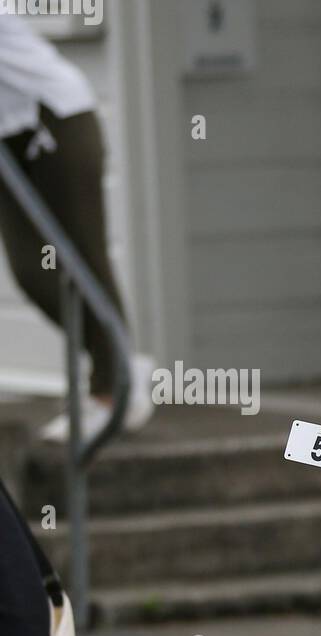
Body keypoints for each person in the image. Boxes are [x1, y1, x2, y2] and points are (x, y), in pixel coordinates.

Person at [0, 13, 153, 442]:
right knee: (31, 270)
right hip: (8, 135)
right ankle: (121, 365)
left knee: (85, 256)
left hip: (55, 117)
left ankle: (112, 389)